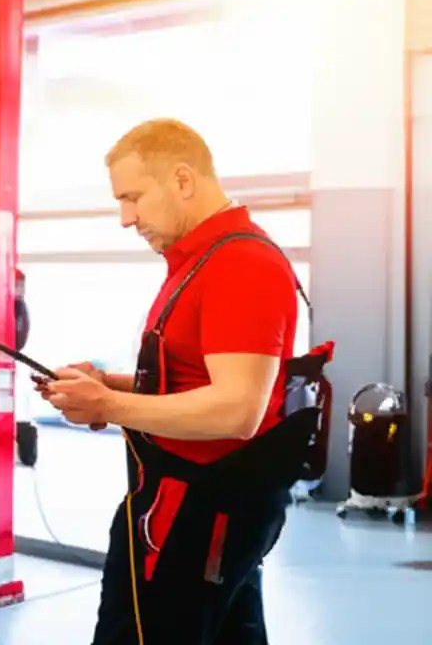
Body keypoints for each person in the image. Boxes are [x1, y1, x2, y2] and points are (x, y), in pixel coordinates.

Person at [37, 118, 310, 645]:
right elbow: (191, 379)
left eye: (133, 198)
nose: (125, 218)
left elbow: (237, 409)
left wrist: (110, 405)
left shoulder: (242, 263)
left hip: (198, 516)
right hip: (182, 504)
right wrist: (104, 386)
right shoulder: (197, 261)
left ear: (183, 180)